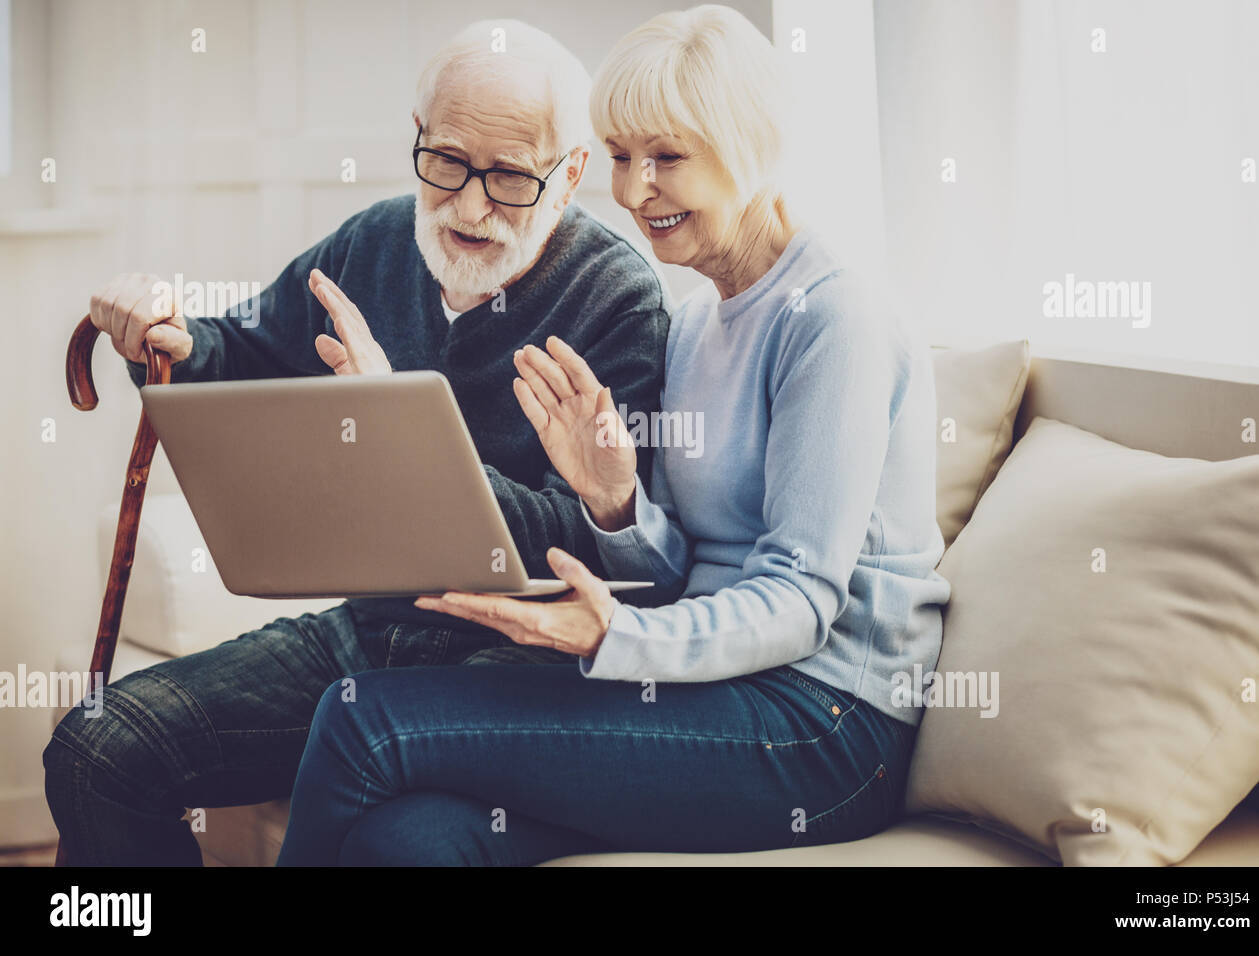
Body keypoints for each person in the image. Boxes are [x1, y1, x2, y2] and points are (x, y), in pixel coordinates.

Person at [276, 4, 951, 867]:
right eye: (624, 158)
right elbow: (680, 568)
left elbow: (802, 601)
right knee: (406, 840)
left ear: (749, 147)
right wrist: (612, 498)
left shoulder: (832, 320)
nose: (633, 192)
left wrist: (612, 638)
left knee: (361, 714)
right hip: (709, 687)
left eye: (668, 158)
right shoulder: (700, 317)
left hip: (823, 725)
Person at [43, 20, 669, 866]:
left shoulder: (619, 299)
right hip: (368, 633)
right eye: (446, 161)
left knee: (392, 833)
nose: (471, 205)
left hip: (515, 665)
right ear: (417, 139)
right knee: (97, 749)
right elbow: (245, 352)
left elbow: (602, 546)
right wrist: (174, 340)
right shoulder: (376, 240)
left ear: (571, 176)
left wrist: (398, 433)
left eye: (512, 176)